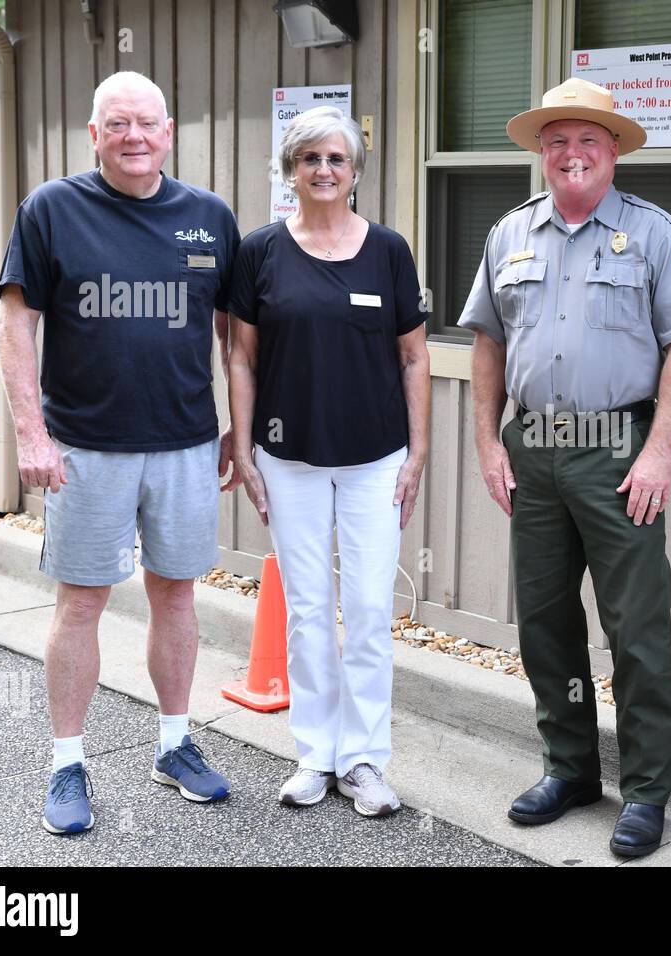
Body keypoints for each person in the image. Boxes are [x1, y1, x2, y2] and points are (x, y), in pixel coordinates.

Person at [459, 77, 671, 857]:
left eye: (587, 142)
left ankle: (646, 791)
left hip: (619, 449)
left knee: (635, 626)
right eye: (557, 142)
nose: (571, 154)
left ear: (612, 153)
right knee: (544, 622)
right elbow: (488, 345)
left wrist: (659, 451)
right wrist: (487, 442)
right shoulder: (509, 235)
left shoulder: (650, 232)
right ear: (541, 153)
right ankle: (570, 768)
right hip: (532, 449)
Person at [0, 71, 239, 835]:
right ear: (93, 134)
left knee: (176, 594)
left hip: (186, 445)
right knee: (81, 603)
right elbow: (15, 325)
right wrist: (31, 434)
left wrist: (240, 427)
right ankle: (67, 760)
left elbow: (237, 337)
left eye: (148, 123)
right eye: (117, 124)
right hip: (87, 448)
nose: (135, 136)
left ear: (169, 132)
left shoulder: (208, 217)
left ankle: (174, 745)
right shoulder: (52, 210)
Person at [226, 106, 429, 815]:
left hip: (377, 456)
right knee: (310, 612)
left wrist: (419, 449)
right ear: (291, 169)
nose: (323, 170)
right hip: (289, 457)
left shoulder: (389, 251)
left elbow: (413, 355)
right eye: (309, 158)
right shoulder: (260, 252)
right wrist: (245, 447)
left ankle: (365, 760)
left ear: (355, 172)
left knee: (370, 609)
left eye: (335, 159)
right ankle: (317, 754)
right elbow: (242, 357)